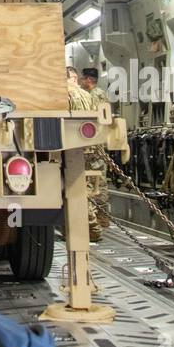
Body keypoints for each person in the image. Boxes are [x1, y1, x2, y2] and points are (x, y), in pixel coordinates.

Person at [77, 68, 111, 242]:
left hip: (94, 144)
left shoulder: (95, 95)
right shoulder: (98, 94)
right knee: (97, 181)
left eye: (82, 79)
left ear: (88, 79)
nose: (80, 82)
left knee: (98, 182)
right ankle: (99, 215)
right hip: (96, 143)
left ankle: (101, 217)